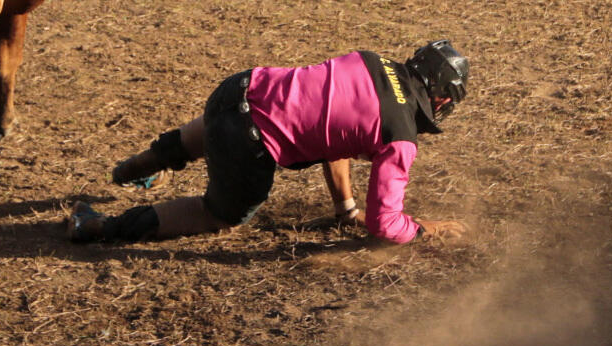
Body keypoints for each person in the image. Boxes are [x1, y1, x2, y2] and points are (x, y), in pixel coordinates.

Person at [69, 41, 471, 246]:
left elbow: (334, 133)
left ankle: (136, 167)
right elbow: (384, 224)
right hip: (247, 140)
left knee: (221, 125)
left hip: (238, 87)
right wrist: (424, 230)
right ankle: (101, 226)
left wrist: (346, 209)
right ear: (440, 100)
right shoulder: (400, 136)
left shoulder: (371, 60)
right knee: (218, 214)